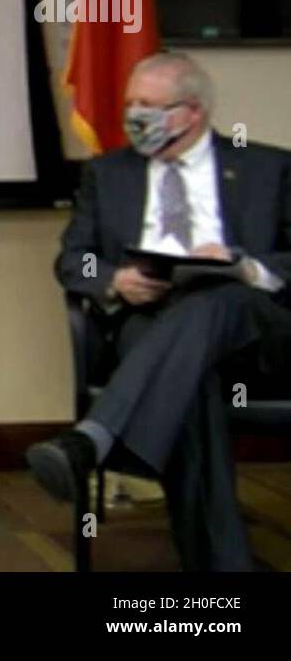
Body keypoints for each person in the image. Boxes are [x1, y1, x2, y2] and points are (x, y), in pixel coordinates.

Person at [28, 51, 291, 570]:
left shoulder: (267, 167)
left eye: (148, 106)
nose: (133, 116)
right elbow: (71, 260)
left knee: (213, 299)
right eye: (131, 104)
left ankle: (93, 438)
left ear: (192, 112)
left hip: (249, 330)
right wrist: (113, 280)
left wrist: (243, 266)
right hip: (147, 323)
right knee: (188, 379)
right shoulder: (108, 174)